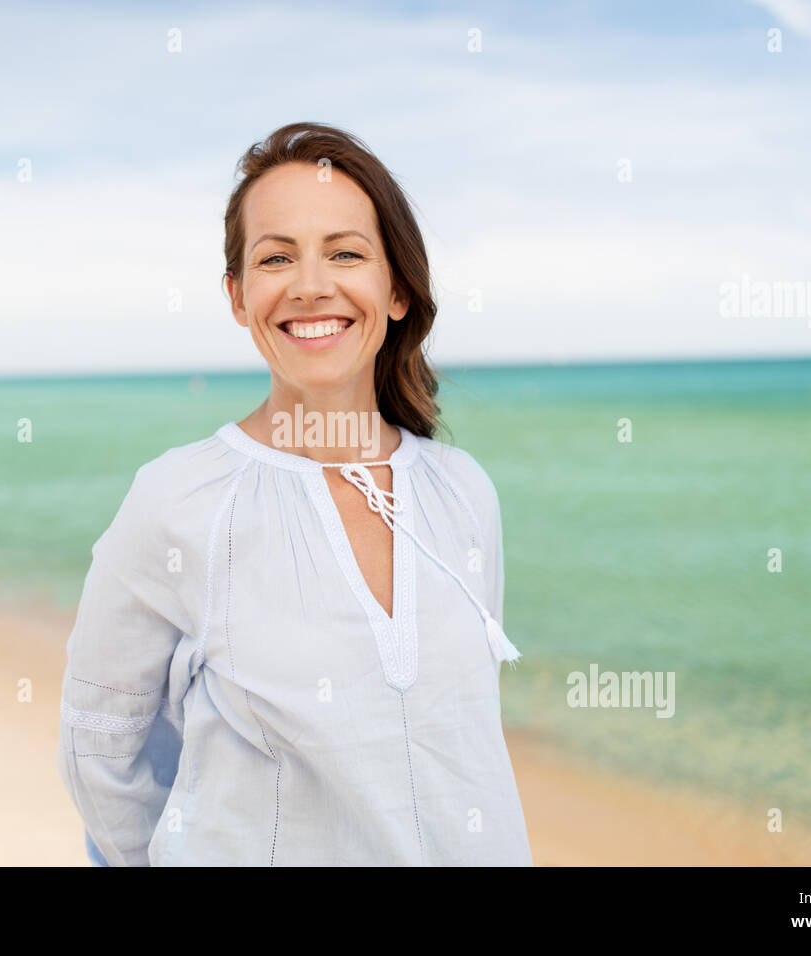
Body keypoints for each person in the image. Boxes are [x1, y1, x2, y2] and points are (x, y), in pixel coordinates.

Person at [57, 122, 532, 866]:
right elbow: (101, 748)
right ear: (239, 297)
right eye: (276, 258)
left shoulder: (463, 491)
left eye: (345, 253)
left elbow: (465, 740)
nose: (311, 285)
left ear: (397, 289)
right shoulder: (177, 501)